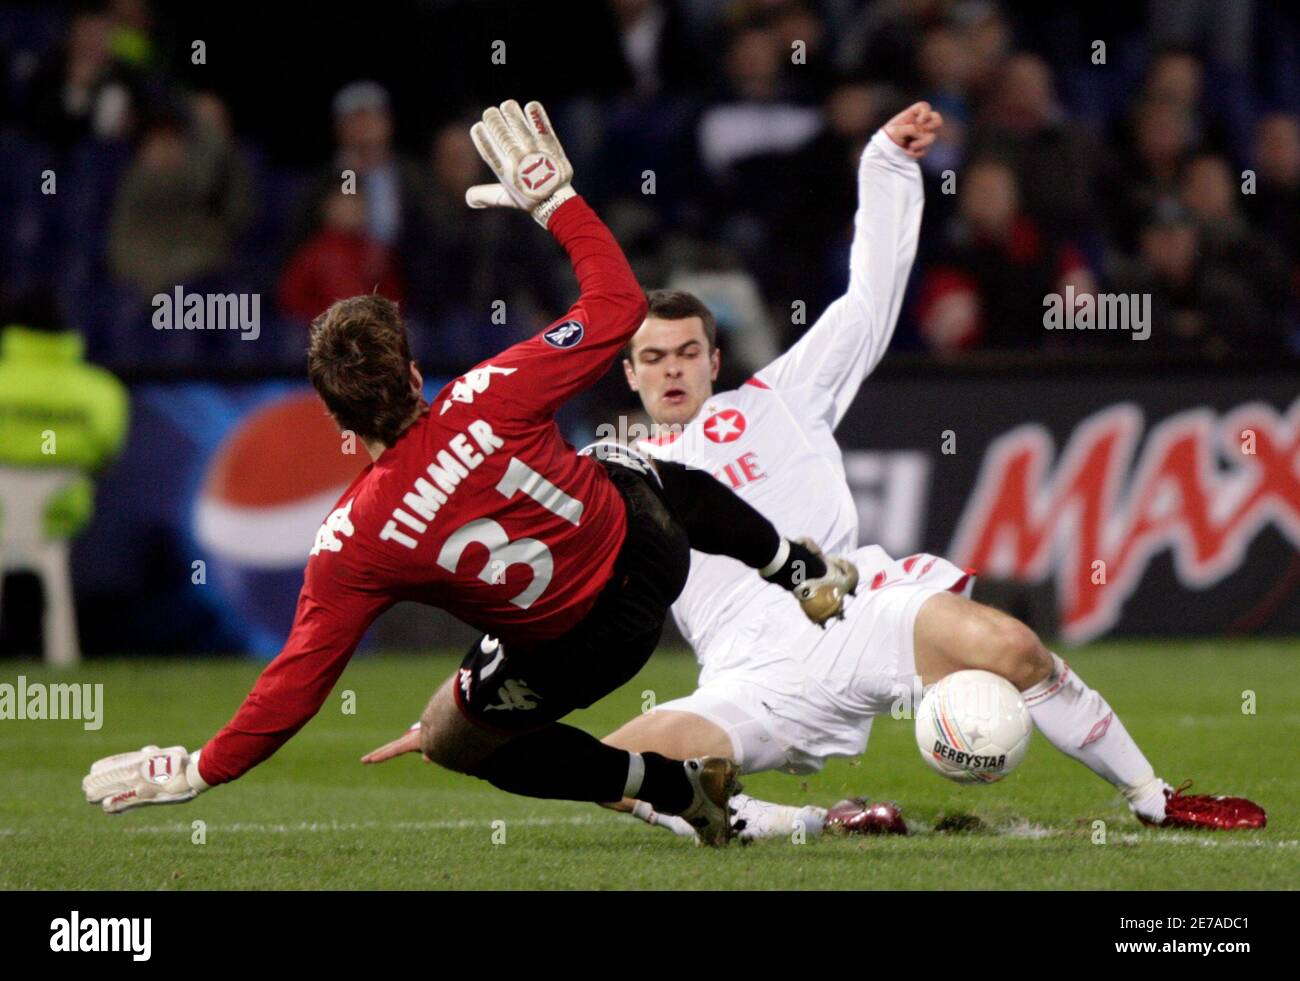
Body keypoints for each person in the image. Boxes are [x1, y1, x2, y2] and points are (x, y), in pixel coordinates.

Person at [374, 101, 1265, 839]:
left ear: (714, 359)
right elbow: (528, 580)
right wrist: (455, 709)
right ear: (630, 370)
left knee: (1010, 645)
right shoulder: (608, 467)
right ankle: (818, 824)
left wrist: (883, 163)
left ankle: (1154, 797)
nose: (674, 368)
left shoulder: (783, 396)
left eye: (690, 351)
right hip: (751, 674)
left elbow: (870, 297)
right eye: (655, 356)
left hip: (858, 608)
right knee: (614, 766)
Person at [81, 100, 855, 847]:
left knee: (458, 740)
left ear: (339, 424)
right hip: (651, 553)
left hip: (576, 650)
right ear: (417, 376)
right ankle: (794, 567)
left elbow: (296, 683)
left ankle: (675, 788)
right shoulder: (489, 390)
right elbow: (620, 305)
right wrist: (557, 202)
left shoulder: (355, 539)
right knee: (627, 460)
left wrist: (203, 767)